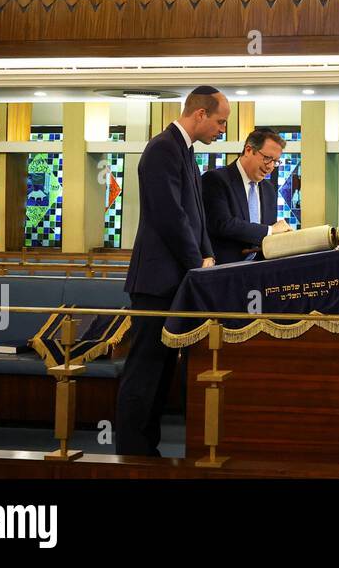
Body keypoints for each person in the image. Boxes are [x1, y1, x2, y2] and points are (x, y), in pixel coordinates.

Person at [115, 85, 228, 457]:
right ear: (199, 114)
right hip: (156, 280)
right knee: (145, 370)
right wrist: (198, 260)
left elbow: (196, 215)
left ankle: (148, 449)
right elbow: (170, 217)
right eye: (220, 121)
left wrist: (208, 256)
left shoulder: (185, 151)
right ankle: (132, 452)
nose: (222, 130)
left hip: (176, 278)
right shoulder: (162, 148)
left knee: (162, 373)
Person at [202, 127, 293, 265]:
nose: (270, 167)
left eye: (276, 161)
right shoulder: (216, 180)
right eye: (268, 158)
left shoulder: (269, 190)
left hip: (260, 270)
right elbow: (222, 224)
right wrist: (271, 230)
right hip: (225, 270)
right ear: (249, 150)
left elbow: (267, 238)